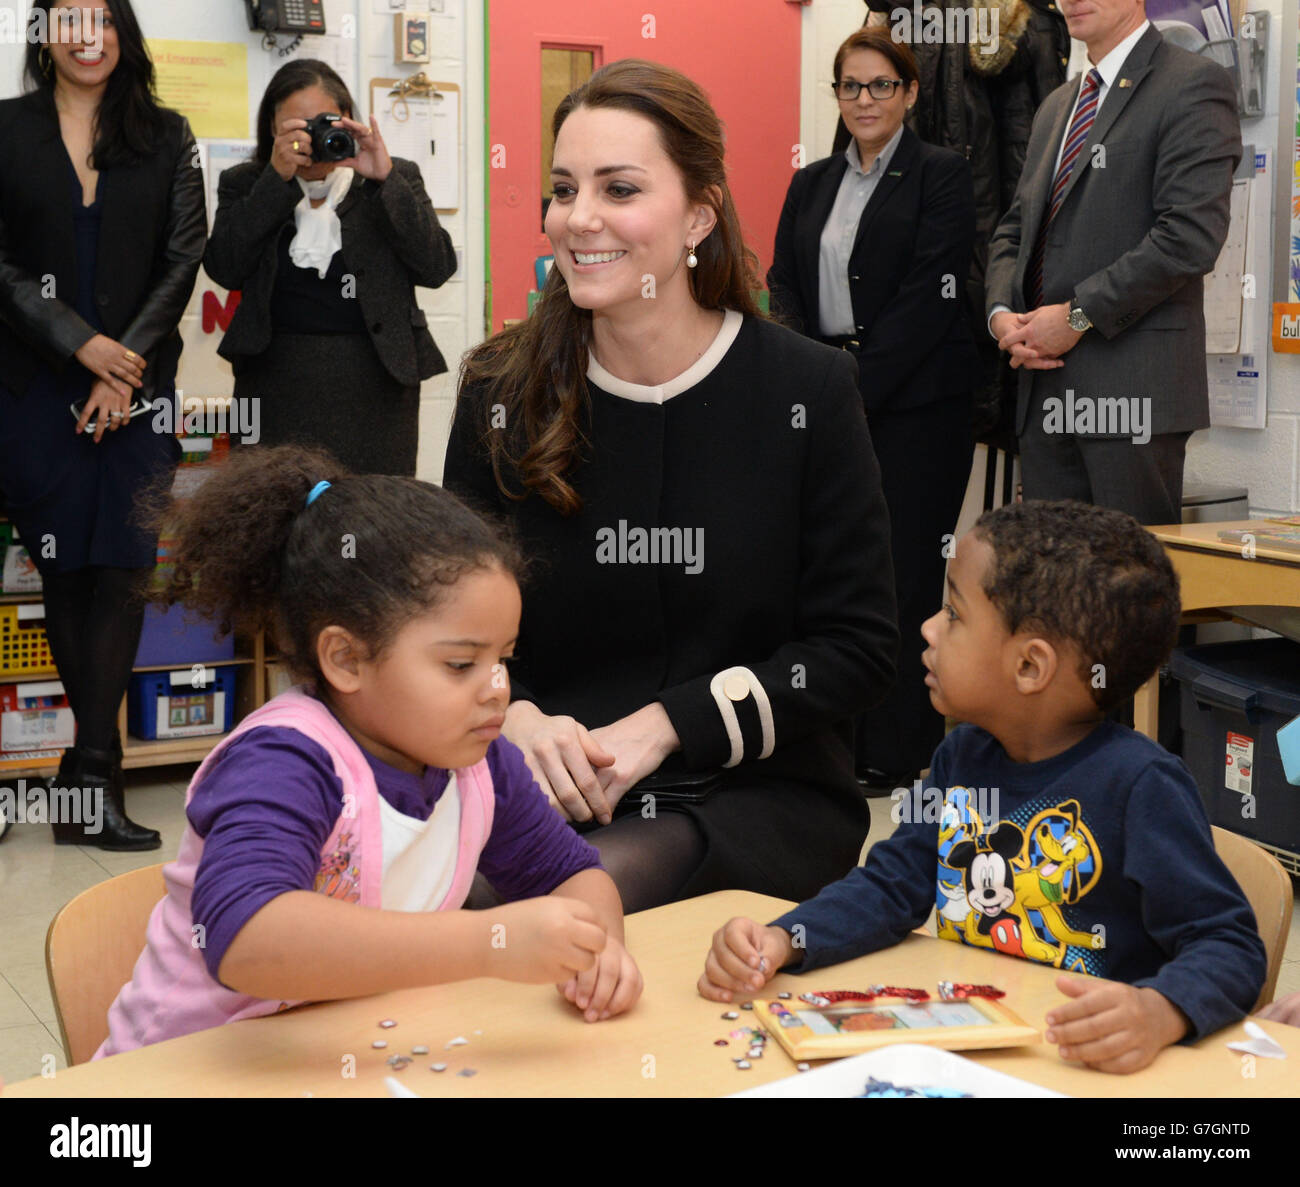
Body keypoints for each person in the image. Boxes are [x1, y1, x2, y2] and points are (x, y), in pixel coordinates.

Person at [444, 59, 899, 915]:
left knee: (547, 903)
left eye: (619, 190)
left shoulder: (809, 390)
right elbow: (446, 625)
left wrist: (665, 727)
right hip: (544, 784)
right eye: (563, 189)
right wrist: (516, 717)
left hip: (756, 797)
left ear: (699, 213)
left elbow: (859, 650)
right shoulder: (499, 392)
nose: (578, 220)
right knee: (425, 895)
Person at [95, 444, 641, 1057]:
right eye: (461, 663)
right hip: (186, 1073)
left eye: (504, 659)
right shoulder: (284, 762)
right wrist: (486, 939)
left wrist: (601, 954)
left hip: (342, 1059)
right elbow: (247, 938)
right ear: (346, 659)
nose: (498, 690)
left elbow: (570, 874)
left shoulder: (480, 764)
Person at [700, 500, 1266, 1074]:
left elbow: (1229, 945)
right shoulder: (960, 758)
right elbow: (891, 886)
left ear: (1029, 668)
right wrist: (785, 939)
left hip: (1079, 1071)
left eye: (953, 613)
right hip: (976, 1054)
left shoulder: (1142, 787)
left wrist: (1159, 1011)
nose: (928, 626)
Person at [0, 0, 206, 850]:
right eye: (68, 18)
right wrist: (80, 345)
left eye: (103, 17)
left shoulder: (165, 133)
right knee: (64, 572)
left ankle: (90, 775)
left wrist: (122, 365)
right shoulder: (7, 129)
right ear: (44, 34)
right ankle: (92, 777)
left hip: (137, 387)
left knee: (122, 570)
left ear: (124, 30)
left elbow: (183, 253)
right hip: (35, 385)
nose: (88, 36)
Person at [767, 28, 976, 791]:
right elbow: (781, 279)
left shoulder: (941, 175)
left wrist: (848, 381)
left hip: (915, 407)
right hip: (826, 392)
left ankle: (894, 749)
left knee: (903, 571)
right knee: (831, 567)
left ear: (911, 93)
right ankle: (833, 741)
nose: (864, 100)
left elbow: (932, 294)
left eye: (880, 85)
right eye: (850, 86)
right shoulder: (811, 181)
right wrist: (810, 370)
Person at [986, 0, 1241, 524]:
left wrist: (1076, 318)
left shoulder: (1193, 82)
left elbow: (1188, 237)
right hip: (1043, 394)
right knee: (1052, 594)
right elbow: (1015, 229)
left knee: (1128, 593)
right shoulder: (1057, 105)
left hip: (1133, 399)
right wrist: (1002, 317)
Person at [204, 59, 455, 476]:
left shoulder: (393, 176)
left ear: (348, 121)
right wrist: (275, 181)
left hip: (375, 386)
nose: (312, 137)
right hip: (273, 383)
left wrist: (385, 180)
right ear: (272, 129)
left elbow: (437, 267)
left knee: (375, 520)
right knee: (271, 517)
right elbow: (225, 268)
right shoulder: (247, 182)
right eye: (296, 127)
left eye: (322, 122)